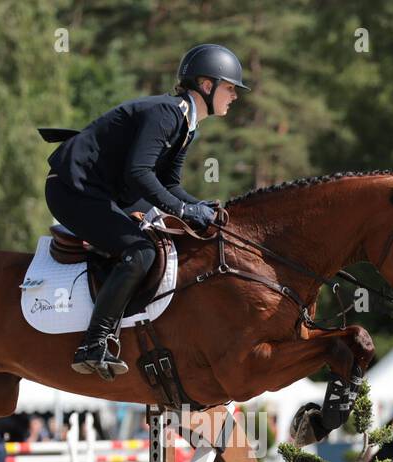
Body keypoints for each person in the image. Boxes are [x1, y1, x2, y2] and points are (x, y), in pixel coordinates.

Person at [43, 43, 249, 380]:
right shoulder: (168, 114)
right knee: (139, 251)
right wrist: (183, 208)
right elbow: (138, 174)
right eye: (230, 88)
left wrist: (198, 206)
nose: (235, 97)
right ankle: (94, 342)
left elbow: (168, 183)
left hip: (107, 191)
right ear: (206, 85)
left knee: (174, 235)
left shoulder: (187, 124)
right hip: (73, 188)